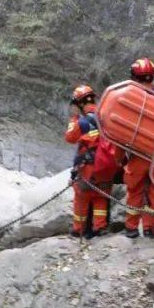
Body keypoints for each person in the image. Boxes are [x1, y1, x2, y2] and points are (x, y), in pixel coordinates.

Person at [124, 58, 154, 238]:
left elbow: (120, 131)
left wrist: (119, 158)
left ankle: (131, 228)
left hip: (138, 154)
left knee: (135, 191)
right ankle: (149, 228)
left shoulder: (127, 99)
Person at [64, 84, 110, 238]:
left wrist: (74, 117)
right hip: (107, 166)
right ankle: (100, 227)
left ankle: (79, 229)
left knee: (82, 196)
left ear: (80, 103)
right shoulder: (106, 116)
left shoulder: (83, 123)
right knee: (100, 197)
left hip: (89, 167)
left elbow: (70, 138)